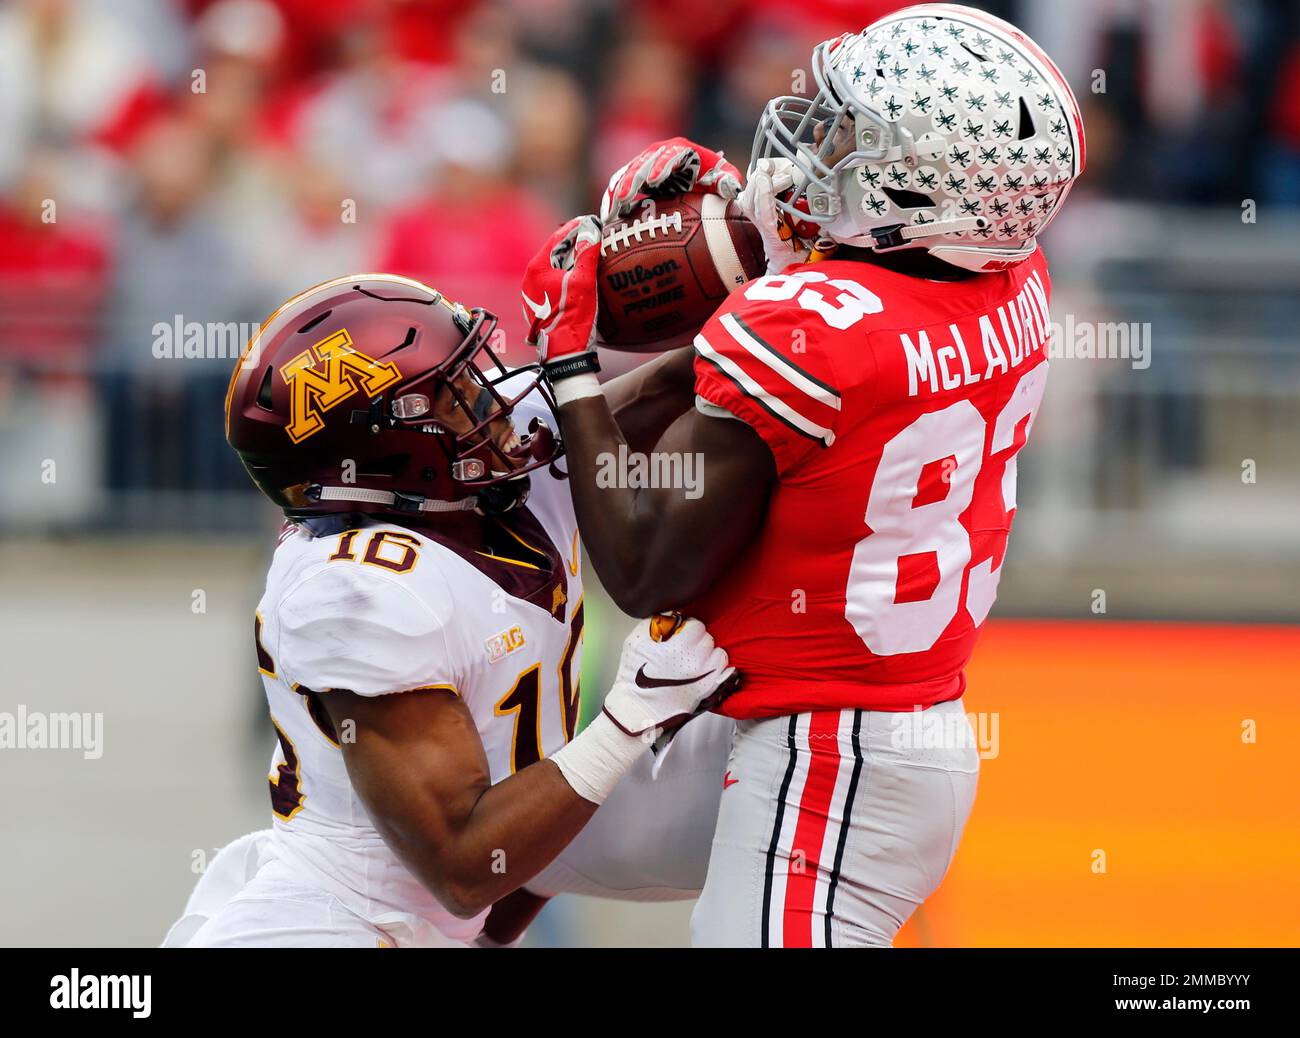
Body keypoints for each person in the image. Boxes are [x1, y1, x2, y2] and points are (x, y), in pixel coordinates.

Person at [521, 3, 1085, 946]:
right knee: (495, 858)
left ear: (923, 188)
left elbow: (642, 568)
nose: (823, 138)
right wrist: (778, 253)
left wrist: (572, 361)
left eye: (859, 133)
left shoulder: (808, 328)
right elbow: (855, 347)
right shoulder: (1016, 276)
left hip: (832, 752)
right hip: (830, 721)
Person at [164, 272, 738, 948]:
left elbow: (684, 388)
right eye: (456, 393)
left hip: (468, 886)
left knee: (759, 776)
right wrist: (627, 721)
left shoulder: (478, 476)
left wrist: (781, 275)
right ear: (391, 453)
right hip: (336, 923)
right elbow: (464, 865)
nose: (490, 402)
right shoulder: (357, 592)